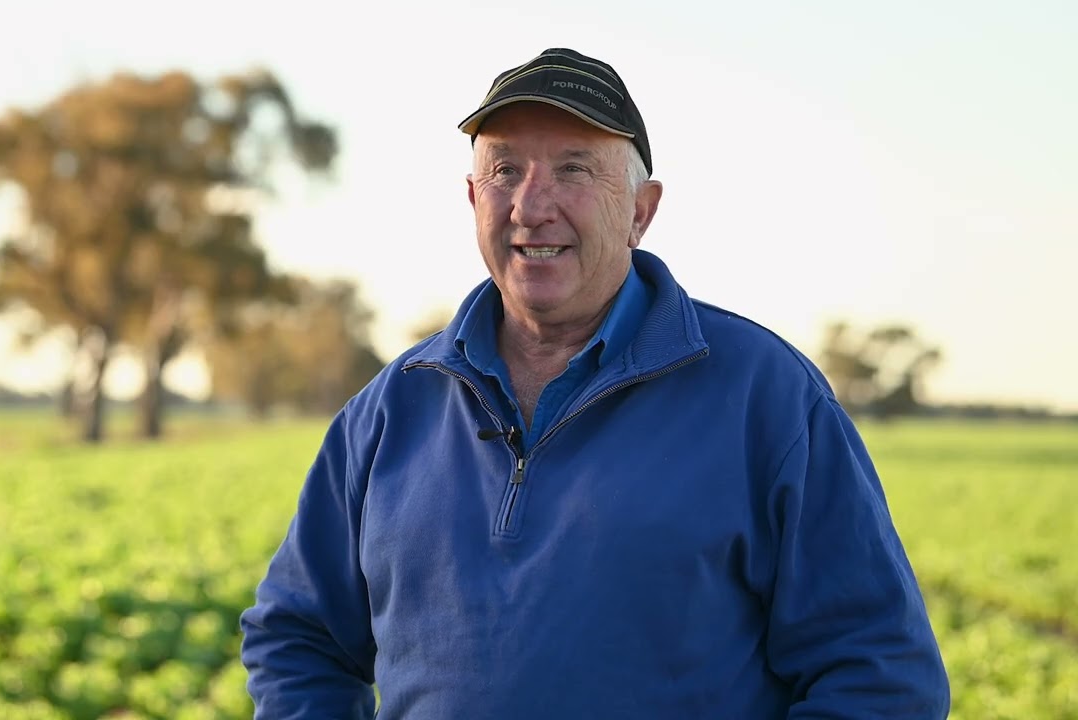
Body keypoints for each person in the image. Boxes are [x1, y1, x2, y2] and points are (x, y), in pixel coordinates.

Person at [239, 47, 950, 718]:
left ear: (642, 209)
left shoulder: (766, 398)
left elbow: (879, 672)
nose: (533, 204)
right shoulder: (391, 410)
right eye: (505, 171)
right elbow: (298, 637)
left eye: (575, 169)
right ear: (471, 199)